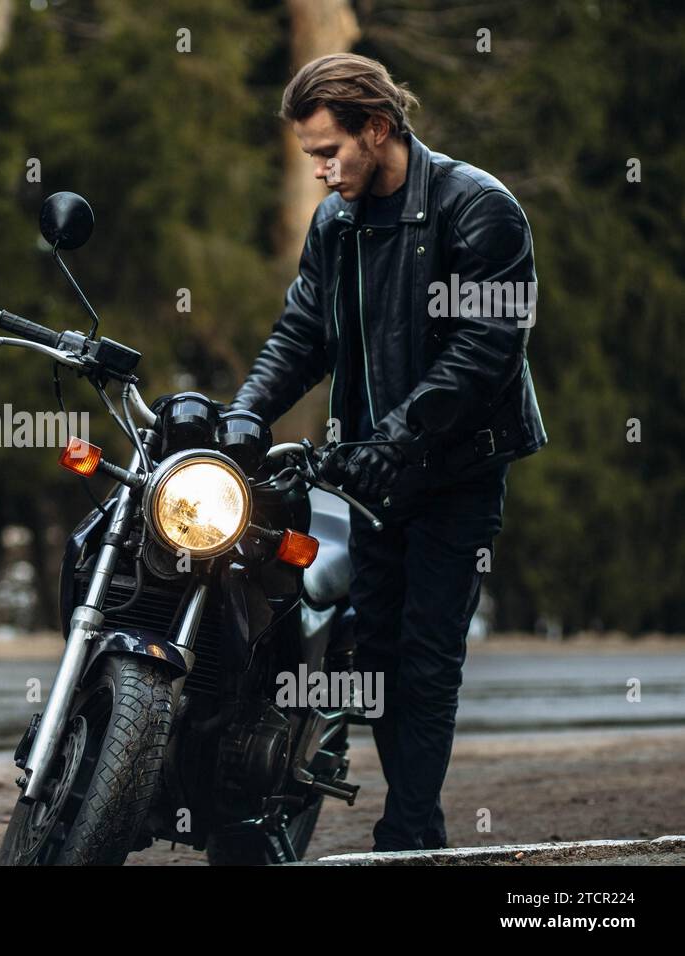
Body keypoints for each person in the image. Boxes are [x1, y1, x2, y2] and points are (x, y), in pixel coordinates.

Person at [230, 53, 547, 851]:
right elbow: (304, 333)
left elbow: (487, 348)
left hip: (457, 472)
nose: (319, 172)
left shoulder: (480, 208)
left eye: (328, 151)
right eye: (310, 156)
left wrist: (400, 440)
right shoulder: (335, 223)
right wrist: (245, 415)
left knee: (426, 655)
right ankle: (406, 820)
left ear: (378, 127)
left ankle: (410, 831)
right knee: (370, 650)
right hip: (370, 477)